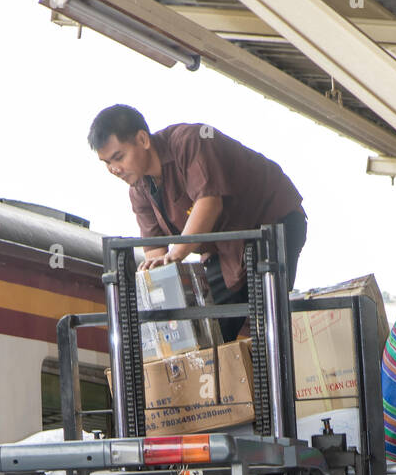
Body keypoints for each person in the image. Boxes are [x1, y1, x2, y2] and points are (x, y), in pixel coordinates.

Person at [88, 105, 307, 342]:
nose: (114, 169)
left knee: (268, 326)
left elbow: (209, 203)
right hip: (223, 251)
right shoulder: (139, 192)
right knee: (210, 337)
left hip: (272, 222)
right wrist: (153, 277)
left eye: (118, 157)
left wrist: (176, 254)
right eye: (106, 163)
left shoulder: (189, 142)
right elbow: (154, 251)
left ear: (142, 139)